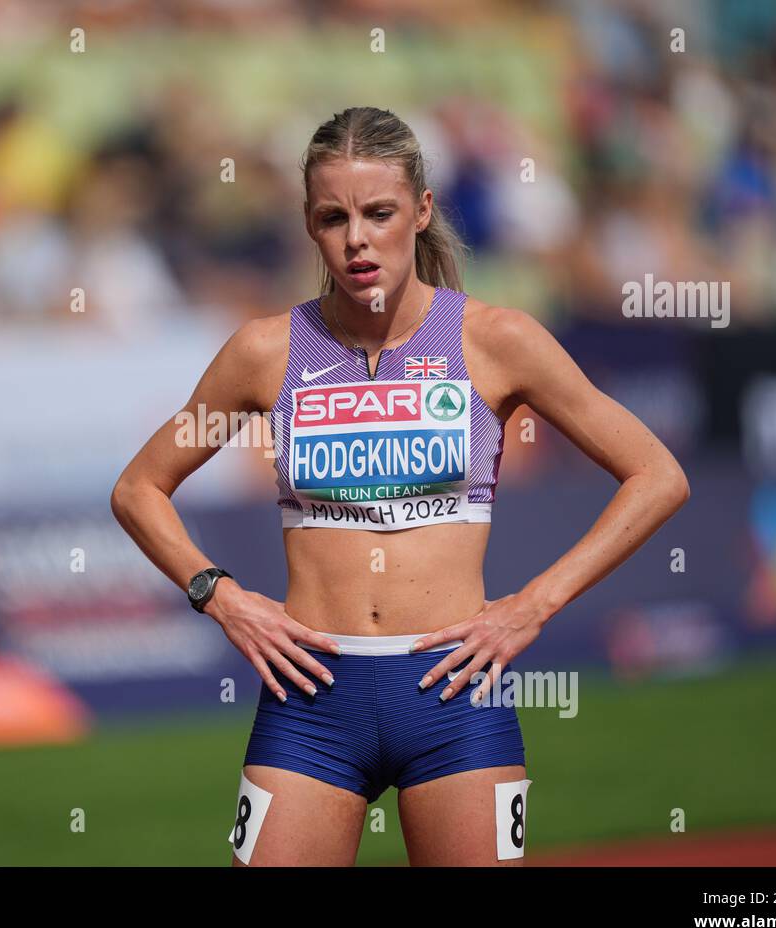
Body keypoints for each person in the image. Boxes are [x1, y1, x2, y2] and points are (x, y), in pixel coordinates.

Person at [110, 107, 689, 866]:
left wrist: (532, 606)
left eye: (379, 212)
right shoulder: (264, 352)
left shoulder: (496, 341)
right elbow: (139, 489)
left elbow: (658, 475)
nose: (357, 239)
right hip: (309, 701)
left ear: (420, 211)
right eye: (333, 217)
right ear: (309, 225)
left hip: (455, 697)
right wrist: (220, 596)